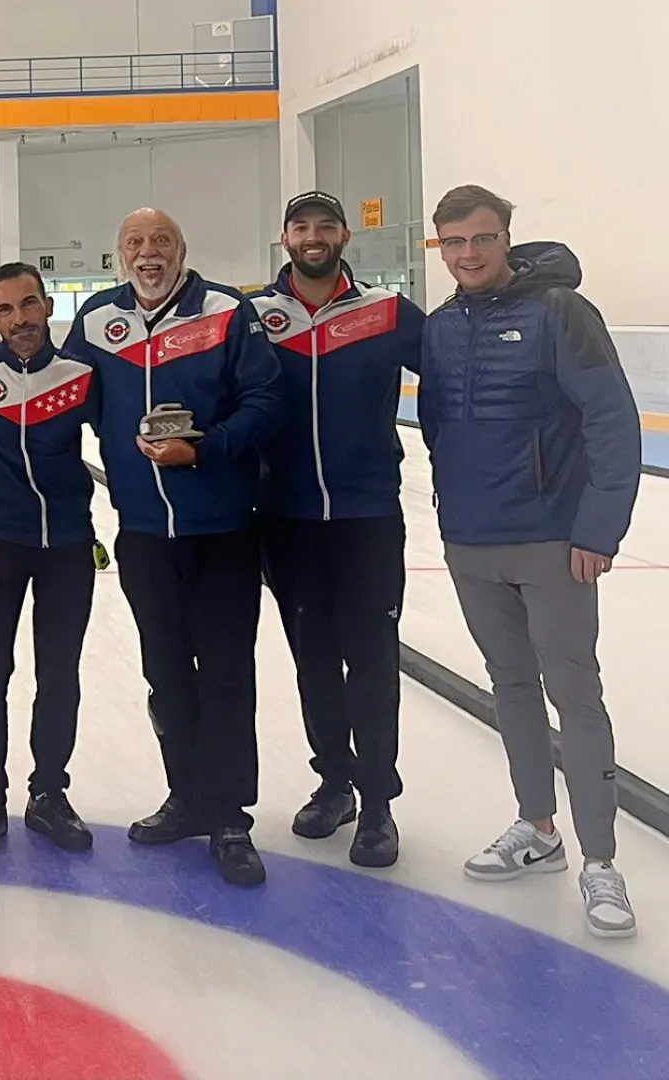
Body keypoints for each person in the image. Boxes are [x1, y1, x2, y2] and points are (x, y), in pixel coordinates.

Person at [422, 184, 642, 939]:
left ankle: (601, 861)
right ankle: (538, 828)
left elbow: (611, 419)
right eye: (454, 242)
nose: (469, 254)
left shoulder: (561, 313)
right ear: (441, 248)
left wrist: (598, 529)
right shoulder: (440, 327)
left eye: (482, 238)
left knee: (574, 694)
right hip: (471, 540)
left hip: (553, 541)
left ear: (506, 238)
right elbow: (438, 426)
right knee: (509, 686)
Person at [64, 208, 282, 888]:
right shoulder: (98, 319)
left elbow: (265, 400)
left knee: (225, 674)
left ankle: (230, 817)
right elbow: (58, 393)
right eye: (134, 242)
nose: (147, 252)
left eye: (161, 241)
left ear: (182, 249)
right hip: (143, 535)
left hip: (223, 531)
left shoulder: (226, 311)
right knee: (167, 674)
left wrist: (206, 449)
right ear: (119, 255)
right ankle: (187, 797)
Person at [250, 191, 426, 869]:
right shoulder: (256, 317)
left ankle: (377, 801)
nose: (314, 236)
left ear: (345, 236)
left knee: (373, 662)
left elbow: (460, 368)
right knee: (314, 661)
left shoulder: (385, 312)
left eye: (326, 225)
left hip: (367, 517)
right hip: (287, 520)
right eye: (302, 226)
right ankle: (334, 784)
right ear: (286, 237)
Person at [0, 263, 99, 857]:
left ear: (48, 306)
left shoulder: (81, 374)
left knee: (59, 674)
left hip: (67, 544)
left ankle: (49, 794)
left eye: (29, 304)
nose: (20, 319)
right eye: (6, 310)